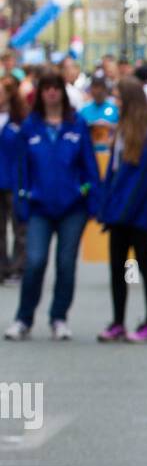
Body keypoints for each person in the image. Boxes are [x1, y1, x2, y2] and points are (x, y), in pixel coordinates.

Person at [4, 66, 99, 341]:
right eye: (46, 88)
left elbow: (89, 166)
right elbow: (20, 169)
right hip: (39, 207)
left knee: (66, 263)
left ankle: (59, 317)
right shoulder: (29, 128)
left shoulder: (77, 124)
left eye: (56, 87)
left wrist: (91, 197)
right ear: (40, 93)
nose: (52, 93)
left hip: (72, 208)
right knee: (34, 261)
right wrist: (22, 201)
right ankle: (24, 318)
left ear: (62, 92)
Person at [96, 77, 147, 343]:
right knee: (118, 267)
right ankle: (118, 321)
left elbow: (141, 181)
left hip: (137, 215)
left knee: (144, 265)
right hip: (120, 213)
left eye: (119, 97)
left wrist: (117, 211)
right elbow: (114, 174)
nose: (115, 101)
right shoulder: (123, 129)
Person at [0, 75, 27, 282]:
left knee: (19, 227)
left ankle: (19, 266)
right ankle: (2, 266)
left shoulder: (19, 121)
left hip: (14, 180)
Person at [79, 69, 119, 152]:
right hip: (90, 152)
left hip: (109, 152)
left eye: (101, 86)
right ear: (91, 89)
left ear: (106, 88)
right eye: (95, 86)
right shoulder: (84, 110)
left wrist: (109, 125)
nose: (98, 90)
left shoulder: (115, 108)